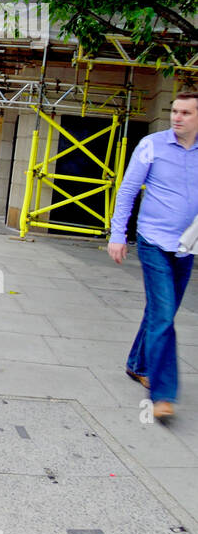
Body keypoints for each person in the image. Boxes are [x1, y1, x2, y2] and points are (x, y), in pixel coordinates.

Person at [107, 92, 198, 421]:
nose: (177, 117)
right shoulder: (152, 145)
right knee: (164, 316)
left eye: (186, 113)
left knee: (163, 310)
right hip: (153, 241)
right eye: (175, 111)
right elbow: (128, 189)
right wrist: (118, 234)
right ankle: (162, 393)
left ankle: (137, 364)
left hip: (187, 246)